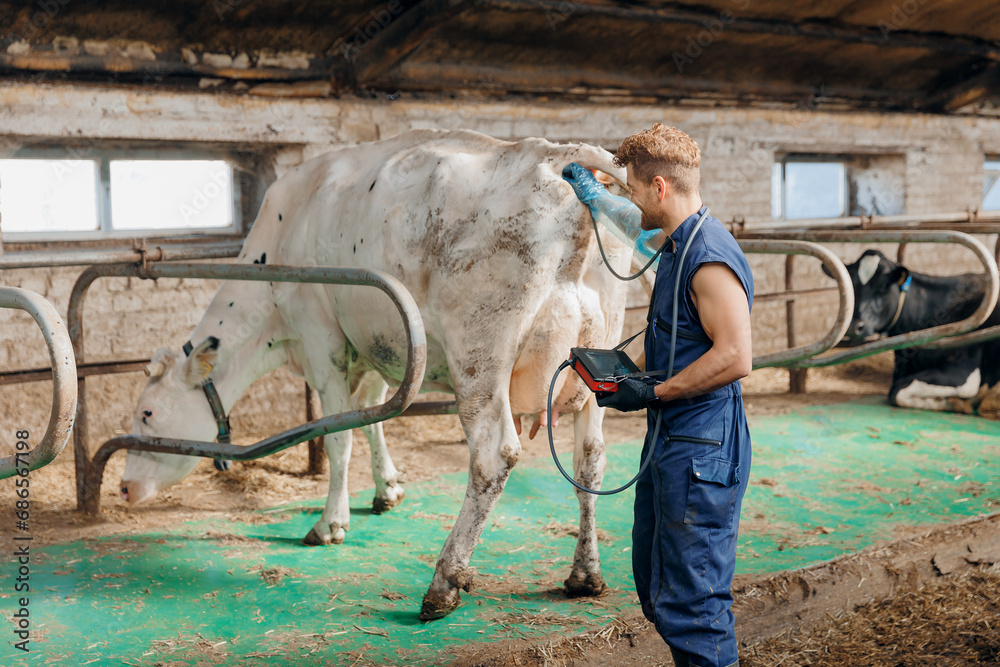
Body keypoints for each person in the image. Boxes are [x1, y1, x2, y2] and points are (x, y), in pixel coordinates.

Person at [569, 124, 754, 667]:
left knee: (694, 604)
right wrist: (595, 195)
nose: (631, 199)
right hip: (673, 438)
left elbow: (736, 356)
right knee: (658, 587)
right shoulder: (676, 241)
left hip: (702, 446)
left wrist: (656, 392)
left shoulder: (709, 256)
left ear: (659, 187)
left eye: (632, 189)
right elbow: (632, 224)